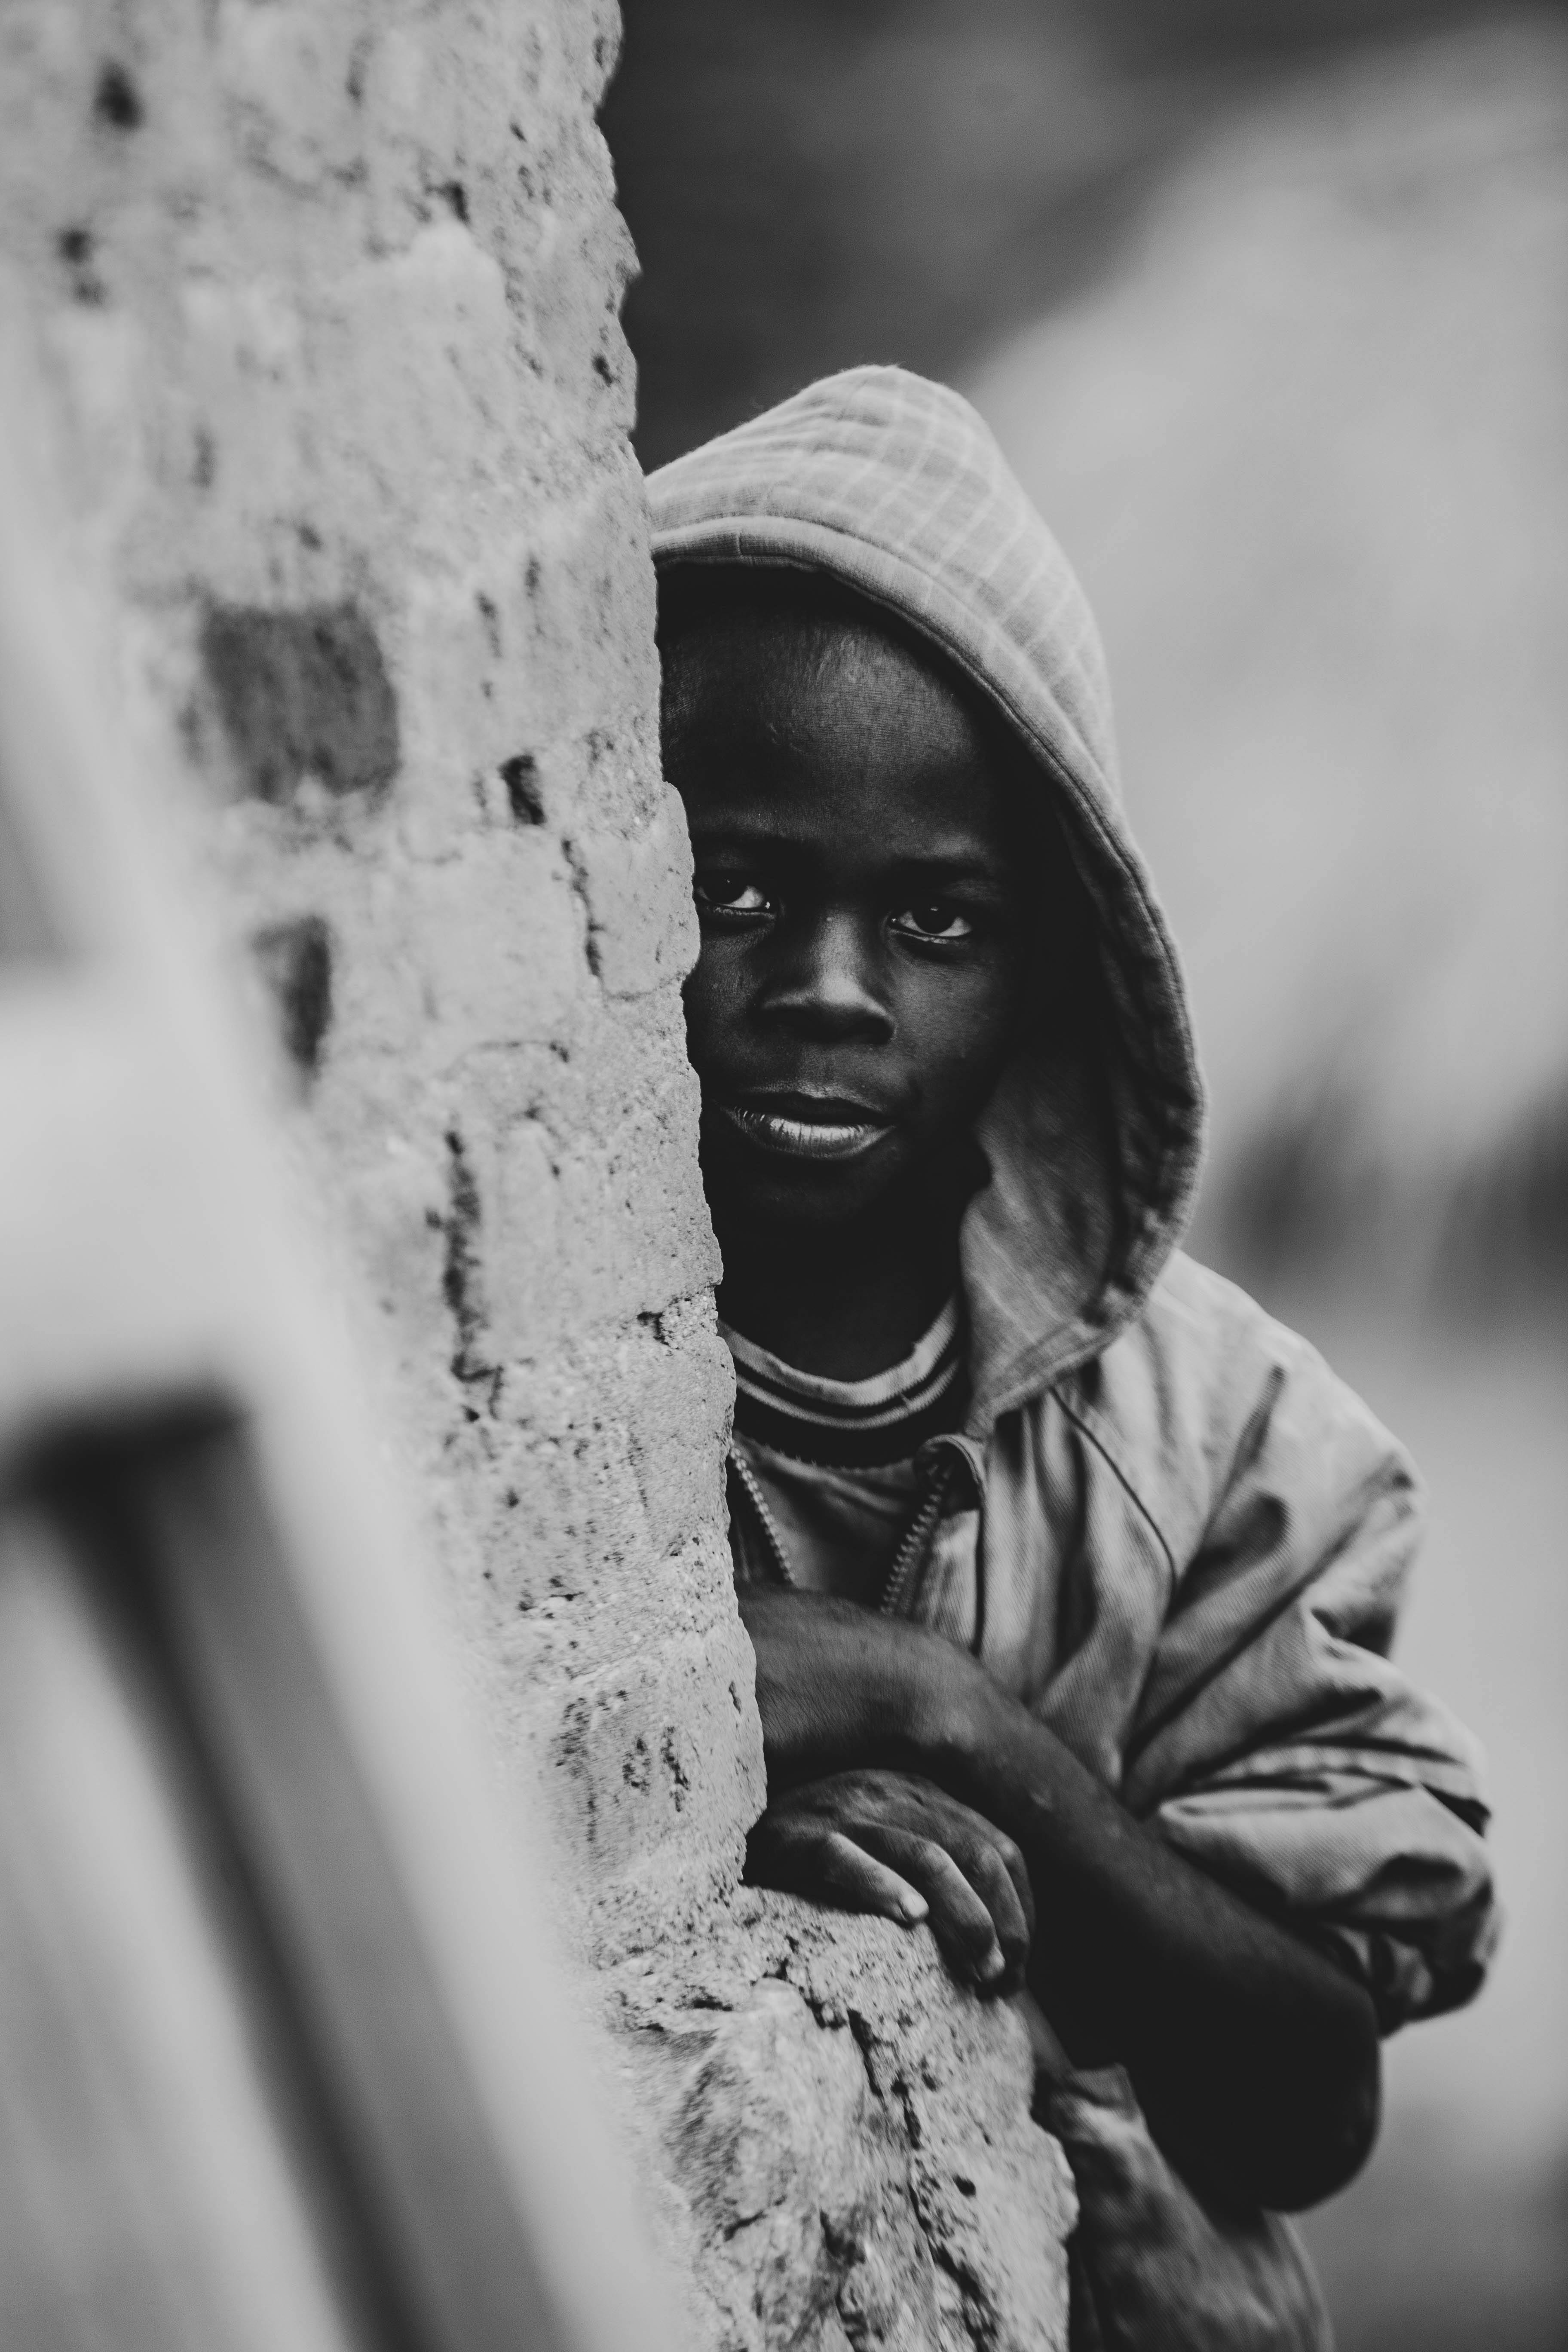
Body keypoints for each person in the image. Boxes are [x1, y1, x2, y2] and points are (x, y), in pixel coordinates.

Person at [647, 368, 1495, 2341]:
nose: (828, 992)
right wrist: (720, 1841)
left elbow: (1306, 2102)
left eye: (936, 920)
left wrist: (940, 1716)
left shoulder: (1234, 1446)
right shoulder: (511, 1385)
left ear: (1051, 974)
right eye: (734, 891)